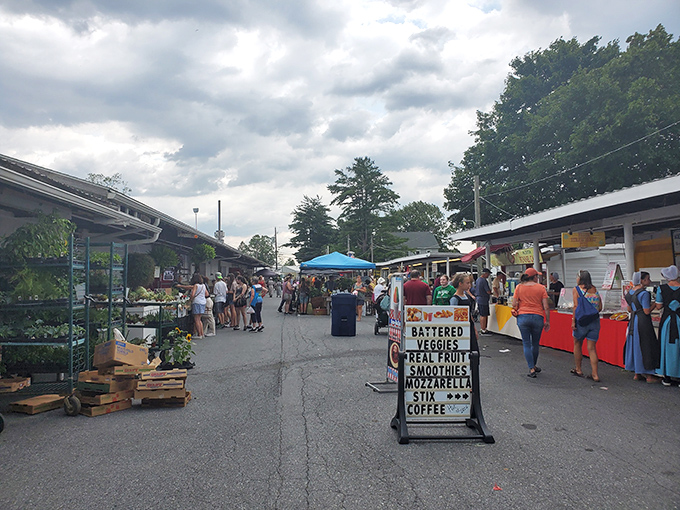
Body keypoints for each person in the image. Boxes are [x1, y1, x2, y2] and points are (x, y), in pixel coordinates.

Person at [511, 268, 550, 378]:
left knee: (526, 343)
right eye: (537, 276)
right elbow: (546, 307)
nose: (538, 278)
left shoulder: (519, 287)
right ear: (533, 277)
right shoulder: (541, 288)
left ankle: (531, 368)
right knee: (535, 343)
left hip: (523, 317)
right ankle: (534, 364)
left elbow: (514, 303)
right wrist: (547, 321)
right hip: (538, 317)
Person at [624, 271, 660, 383]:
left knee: (635, 345)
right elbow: (646, 311)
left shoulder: (629, 292)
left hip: (633, 321)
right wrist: (655, 303)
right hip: (642, 321)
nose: (649, 281)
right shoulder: (644, 293)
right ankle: (649, 375)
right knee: (646, 345)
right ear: (642, 280)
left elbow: (629, 309)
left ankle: (637, 373)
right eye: (647, 279)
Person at [571, 270, 603, 382]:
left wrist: (573, 321)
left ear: (580, 278)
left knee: (577, 343)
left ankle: (578, 369)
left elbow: (575, 306)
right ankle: (595, 374)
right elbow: (600, 307)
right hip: (594, 321)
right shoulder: (595, 289)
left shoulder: (577, 289)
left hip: (581, 321)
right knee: (592, 348)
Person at [654, 265, 680, 386]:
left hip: (668, 321)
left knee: (666, 347)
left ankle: (667, 376)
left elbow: (659, 306)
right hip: (679, 320)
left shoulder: (662, 288)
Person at [449, 273, 478, 347]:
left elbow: (469, 313)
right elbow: (452, 316)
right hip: (460, 327)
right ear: (460, 284)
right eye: (467, 283)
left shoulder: (467, 296)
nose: (469, 285)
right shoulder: (455, 299)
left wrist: (474, 328)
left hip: (469, 324)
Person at [189, 273, 209, 339]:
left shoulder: (195, 285)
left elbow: (192, 294)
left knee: (196, 319)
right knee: (200, 319)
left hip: (197, 302)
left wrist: (191, 299)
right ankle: (202, 333)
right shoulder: (203, 285)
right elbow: (207, 294)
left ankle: (199, 334)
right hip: (203, 302)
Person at [475, 268, 492, 335]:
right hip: (483, 299)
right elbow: (488, 291)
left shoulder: (478, 280)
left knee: (483, 314)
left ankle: (484, 328)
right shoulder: (484, 281)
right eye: (488, 274)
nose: (488, 275)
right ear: (485, 273)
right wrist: (491, 293)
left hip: (479, 299)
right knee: (483, 315)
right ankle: (483, 329)